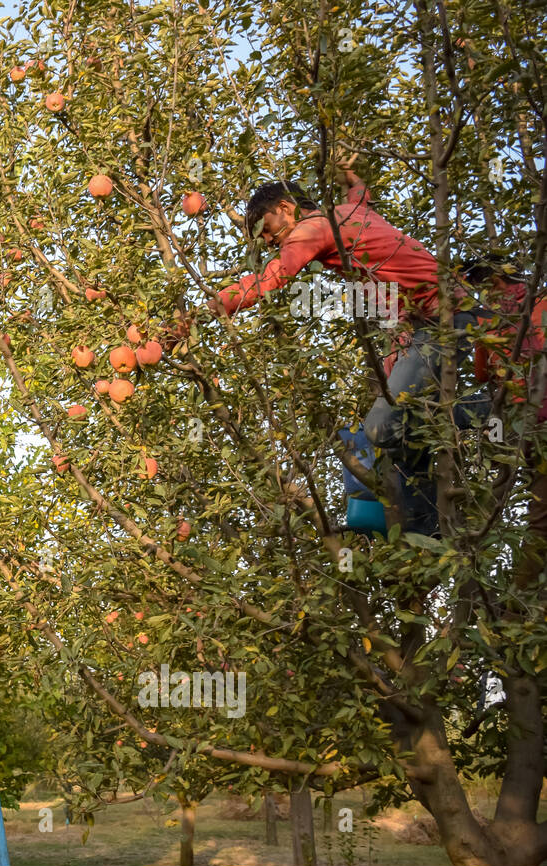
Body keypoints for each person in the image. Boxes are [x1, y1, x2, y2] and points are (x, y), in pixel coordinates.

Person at [194, 157, 487, 534]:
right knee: (401, 441)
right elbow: (361, 195)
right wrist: (351, 175)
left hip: (440, 322)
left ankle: (488, 408)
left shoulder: (312, 229)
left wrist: (207, 310)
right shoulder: (347, 212)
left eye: (266, 230)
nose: (267, 241)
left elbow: (270, 279)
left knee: (381, 428)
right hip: (428, 324)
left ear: (285, 209)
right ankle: (426, 529)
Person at [464, 255, 547, 587]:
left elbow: (481, 373)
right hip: (541, 419)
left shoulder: (487, 321)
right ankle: (517, 609)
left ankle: (505, 603)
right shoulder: (541, 302)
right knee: (541, 520)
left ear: (494, 284)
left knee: (491, 505)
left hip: (512, 423)